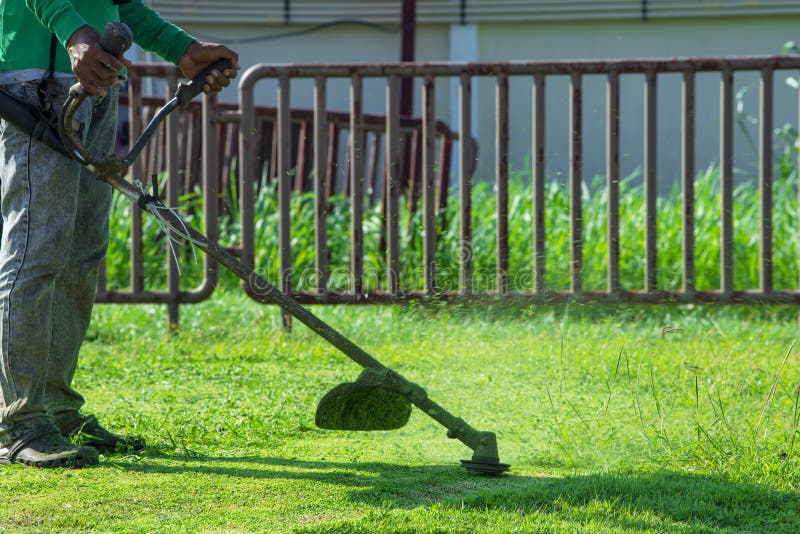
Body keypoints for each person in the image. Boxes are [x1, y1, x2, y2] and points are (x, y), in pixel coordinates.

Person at [0, 0, 239, 468]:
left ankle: (56, 409)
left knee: (79, 254)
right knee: (35, 249)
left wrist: (181, 48)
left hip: (96, 81)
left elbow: (120, 2)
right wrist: (74, 34)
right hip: (36, 81)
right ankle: (19, 421)